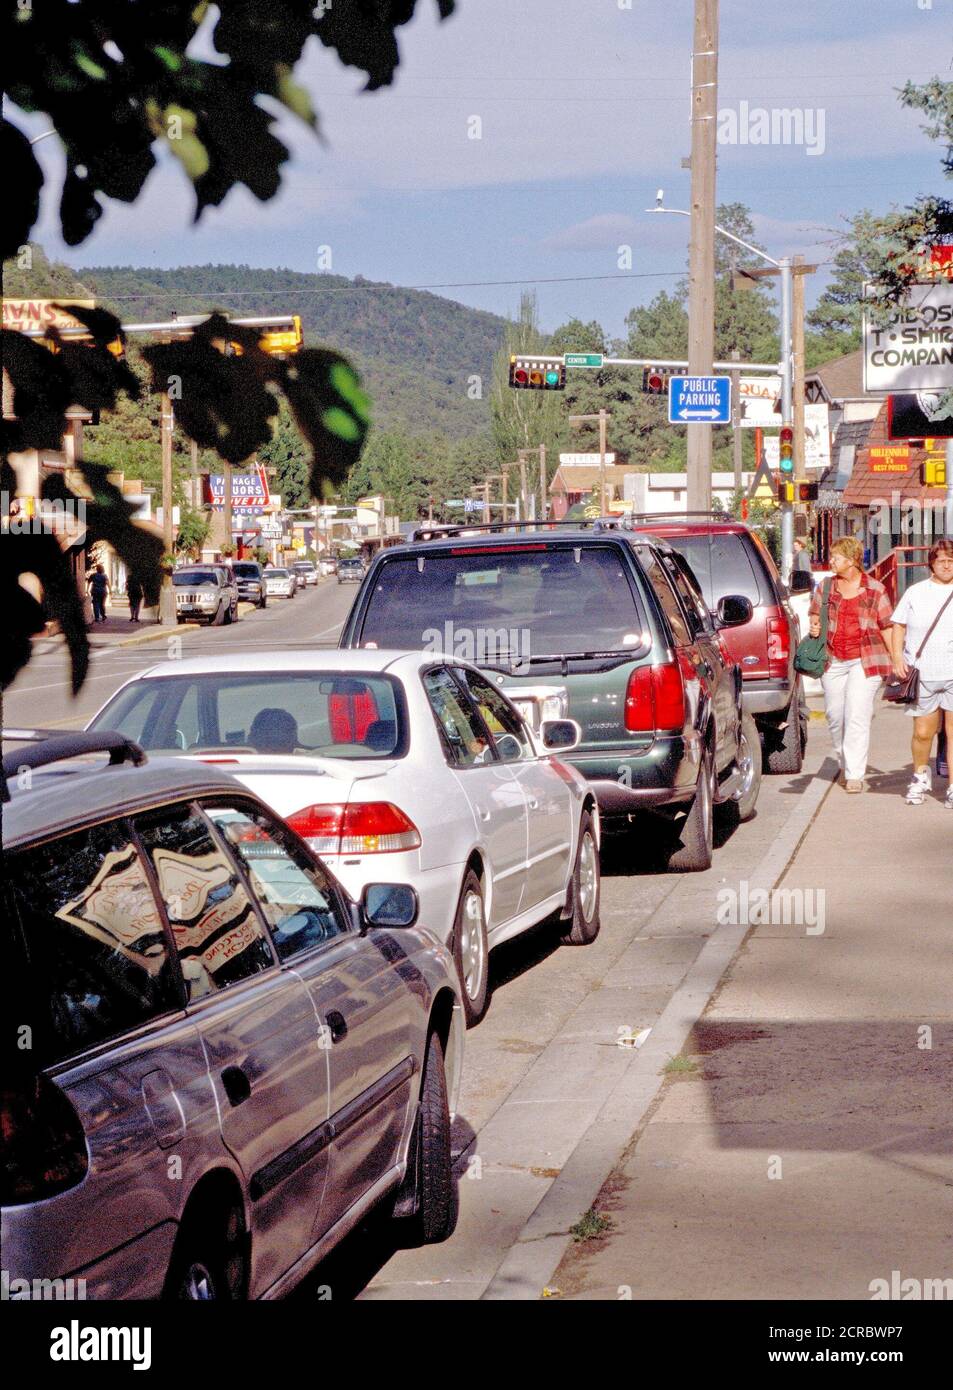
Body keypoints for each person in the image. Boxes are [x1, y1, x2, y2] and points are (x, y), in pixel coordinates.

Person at [809, 535, 893, 793]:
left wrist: (897, 660)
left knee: (857, 713)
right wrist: (814, 623)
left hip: (864, 659)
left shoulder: (875, 590)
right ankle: (845, 763)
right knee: (836, 715)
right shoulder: (826, 587)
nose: (831, 560)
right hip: (832, 659)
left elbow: (887, 626)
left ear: (851, 560)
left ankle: (855, 773)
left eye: (836, 557)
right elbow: (815, 612)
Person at [888, 538, 953, 808]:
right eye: (942, 561)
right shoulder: (915, 592)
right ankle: (919, 777)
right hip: (923, 672)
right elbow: (898, 626)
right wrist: (896, 658)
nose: (947, 566)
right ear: (931, 565)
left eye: (951, 561)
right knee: (923, 732)